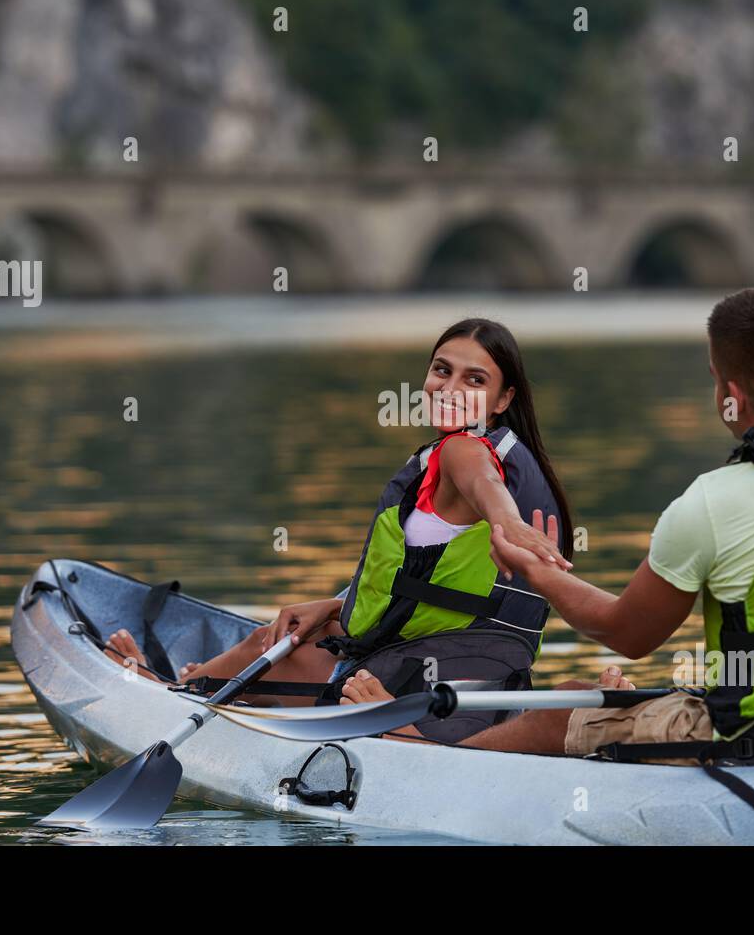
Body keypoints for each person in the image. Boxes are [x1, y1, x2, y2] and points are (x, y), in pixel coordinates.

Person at [351, 289, 754, 771]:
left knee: (564, 717)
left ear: (728, 391)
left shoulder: (717, 497)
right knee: (606, 696)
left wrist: (542, 578)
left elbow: (627, 633)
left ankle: (422, 750)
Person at [106, 317, 580, 742]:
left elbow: (483, 481)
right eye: (442, 370)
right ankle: (201, 685)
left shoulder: (463, 450)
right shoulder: (523, 460)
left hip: (420, 693)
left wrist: (507, 523)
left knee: (274, 642)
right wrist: (339, 603)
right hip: (487, 692)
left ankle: (174, 694)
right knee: (315, 628)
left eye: (474, 380)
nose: (450, 388)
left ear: (504, 398)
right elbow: (432, 584)